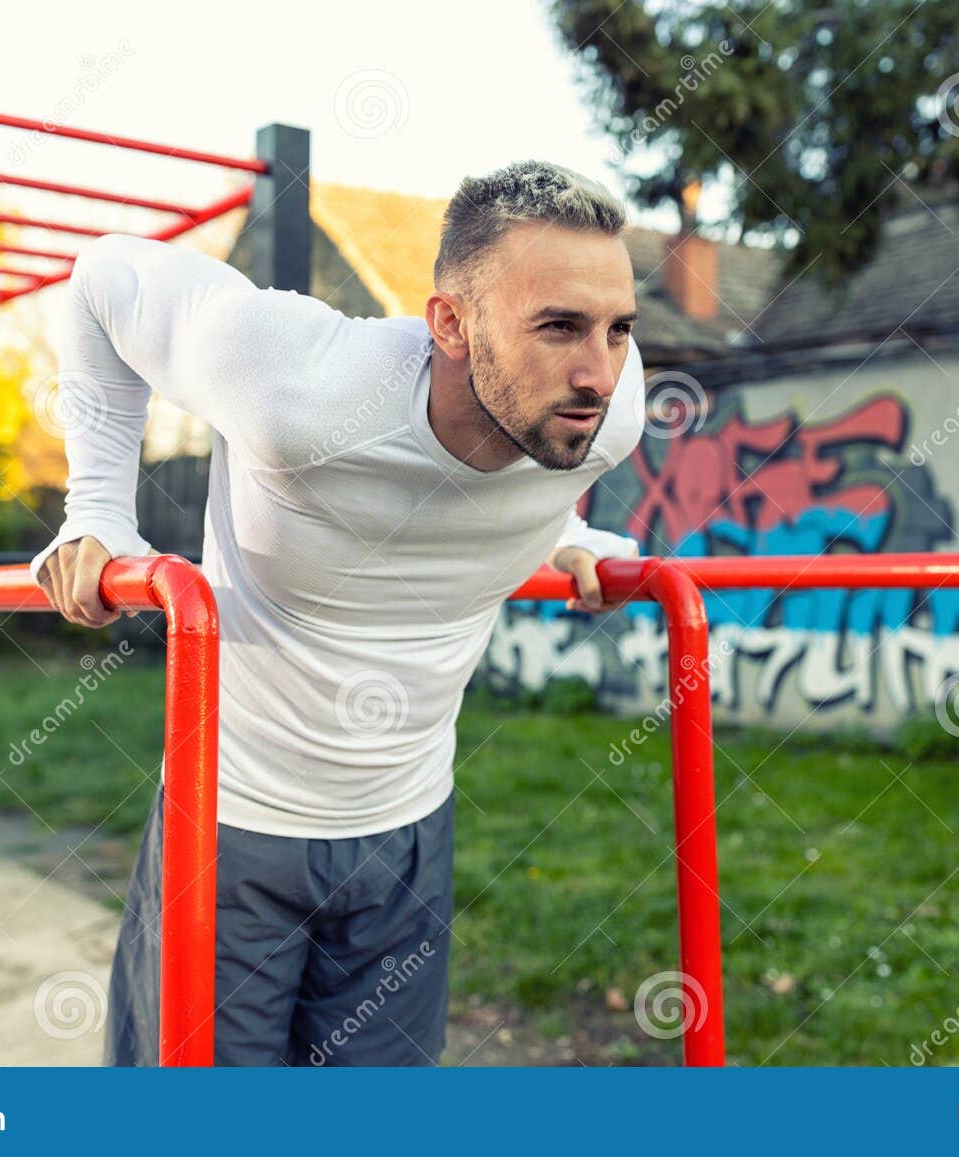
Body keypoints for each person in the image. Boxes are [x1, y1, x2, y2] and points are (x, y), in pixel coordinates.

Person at [32, 160, 646, 1066]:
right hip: (231, 827)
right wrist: (96, 511)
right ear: (451, 325)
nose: (597, 370)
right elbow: (97, 286)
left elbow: (513, 484)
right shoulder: (294, 378)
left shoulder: (604, 413)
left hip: (407, 835)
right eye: (558, 326)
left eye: (619, 329)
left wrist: (566, 533)